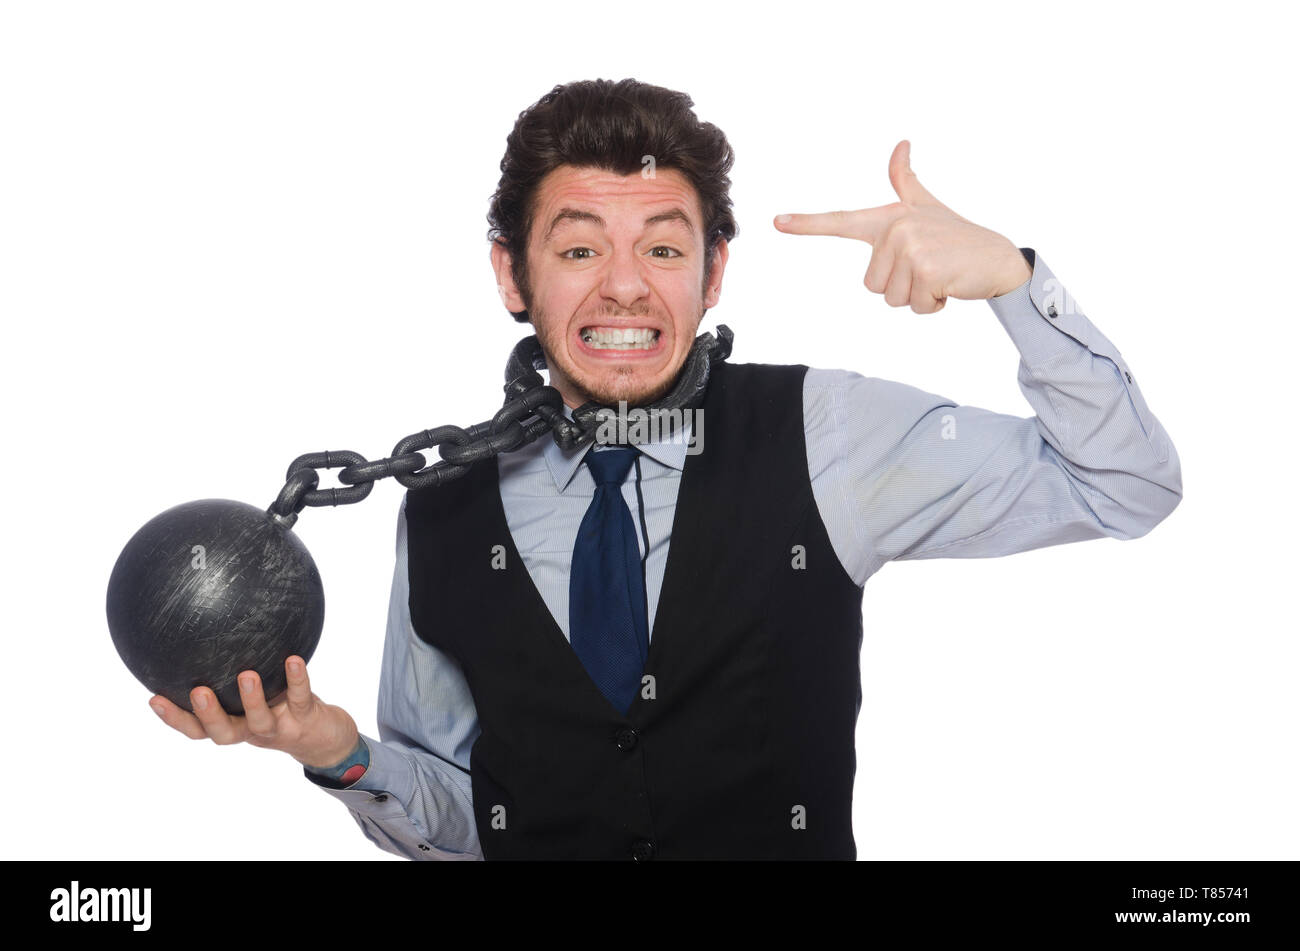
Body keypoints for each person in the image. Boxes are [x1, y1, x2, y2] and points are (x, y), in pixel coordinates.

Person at [150, 78, 1183, 860]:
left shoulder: (826, 431)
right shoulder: (440, 509)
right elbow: (478, 828)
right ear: (512, 273)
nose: (626, 290)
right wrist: (338, 752)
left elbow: (1125, 485)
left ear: (713, 270)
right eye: (578, 249)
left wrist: (1012, 280)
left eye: (662, 248)